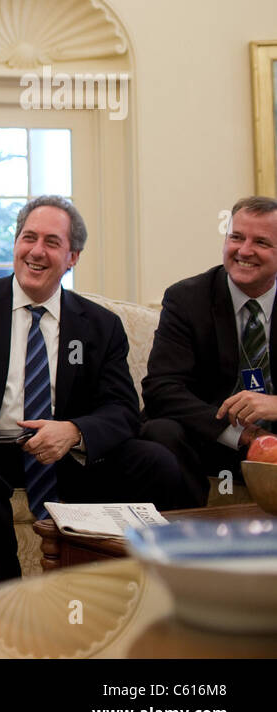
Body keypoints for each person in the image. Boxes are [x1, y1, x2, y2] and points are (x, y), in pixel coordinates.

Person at [0, 197, 192, 586]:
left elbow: (123, 408)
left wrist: (75, 431)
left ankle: (158, 586)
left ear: (72, 257)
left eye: (52, 243)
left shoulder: (101, 325)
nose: (36, 251)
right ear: (16, 244)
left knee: (158, 462)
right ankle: (10, 597)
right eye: (28, 238)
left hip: (67, 455)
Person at [142, 196, 277, 506]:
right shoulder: (187, 299)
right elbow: (161, 389)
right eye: (236, 237)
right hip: (207, 440)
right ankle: (189, 545)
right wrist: (240, 433)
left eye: (261, 242)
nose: (244, 251)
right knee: (160, 431)